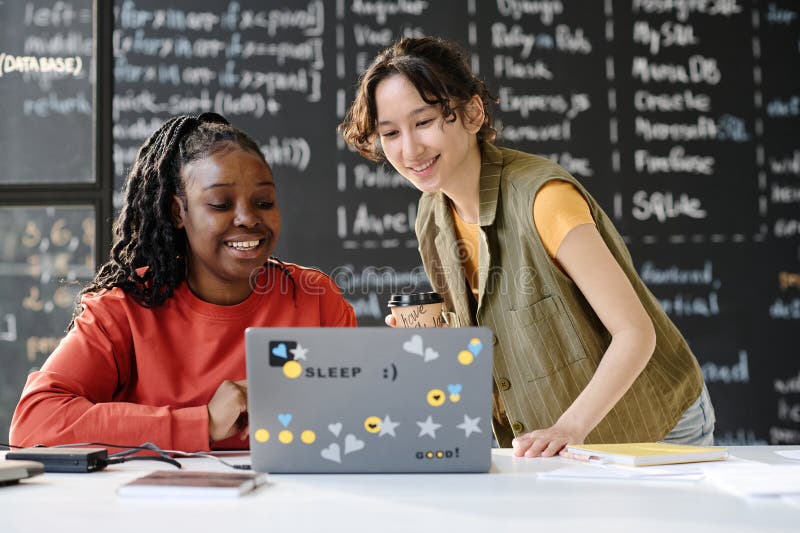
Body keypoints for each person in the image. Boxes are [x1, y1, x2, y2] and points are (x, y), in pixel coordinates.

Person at [339, 37, 714, 457]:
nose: (409, 150)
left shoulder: (543, 198)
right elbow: (488, 339)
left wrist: (569, 428)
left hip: (650, 427)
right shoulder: (431, 215)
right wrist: (440, 341)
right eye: (390, 133)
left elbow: (635, 333)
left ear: (472, 113)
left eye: (424, 122)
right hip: (551, 445)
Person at [10, 113, 356, 451]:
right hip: (154, 507)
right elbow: (35, 420)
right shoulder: (124, 308)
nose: (249, 218)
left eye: (263, 202)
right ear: (179, 212)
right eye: (221, 204)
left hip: (292, 504)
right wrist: (201, 422)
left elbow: (360, 415)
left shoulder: (316, 298)